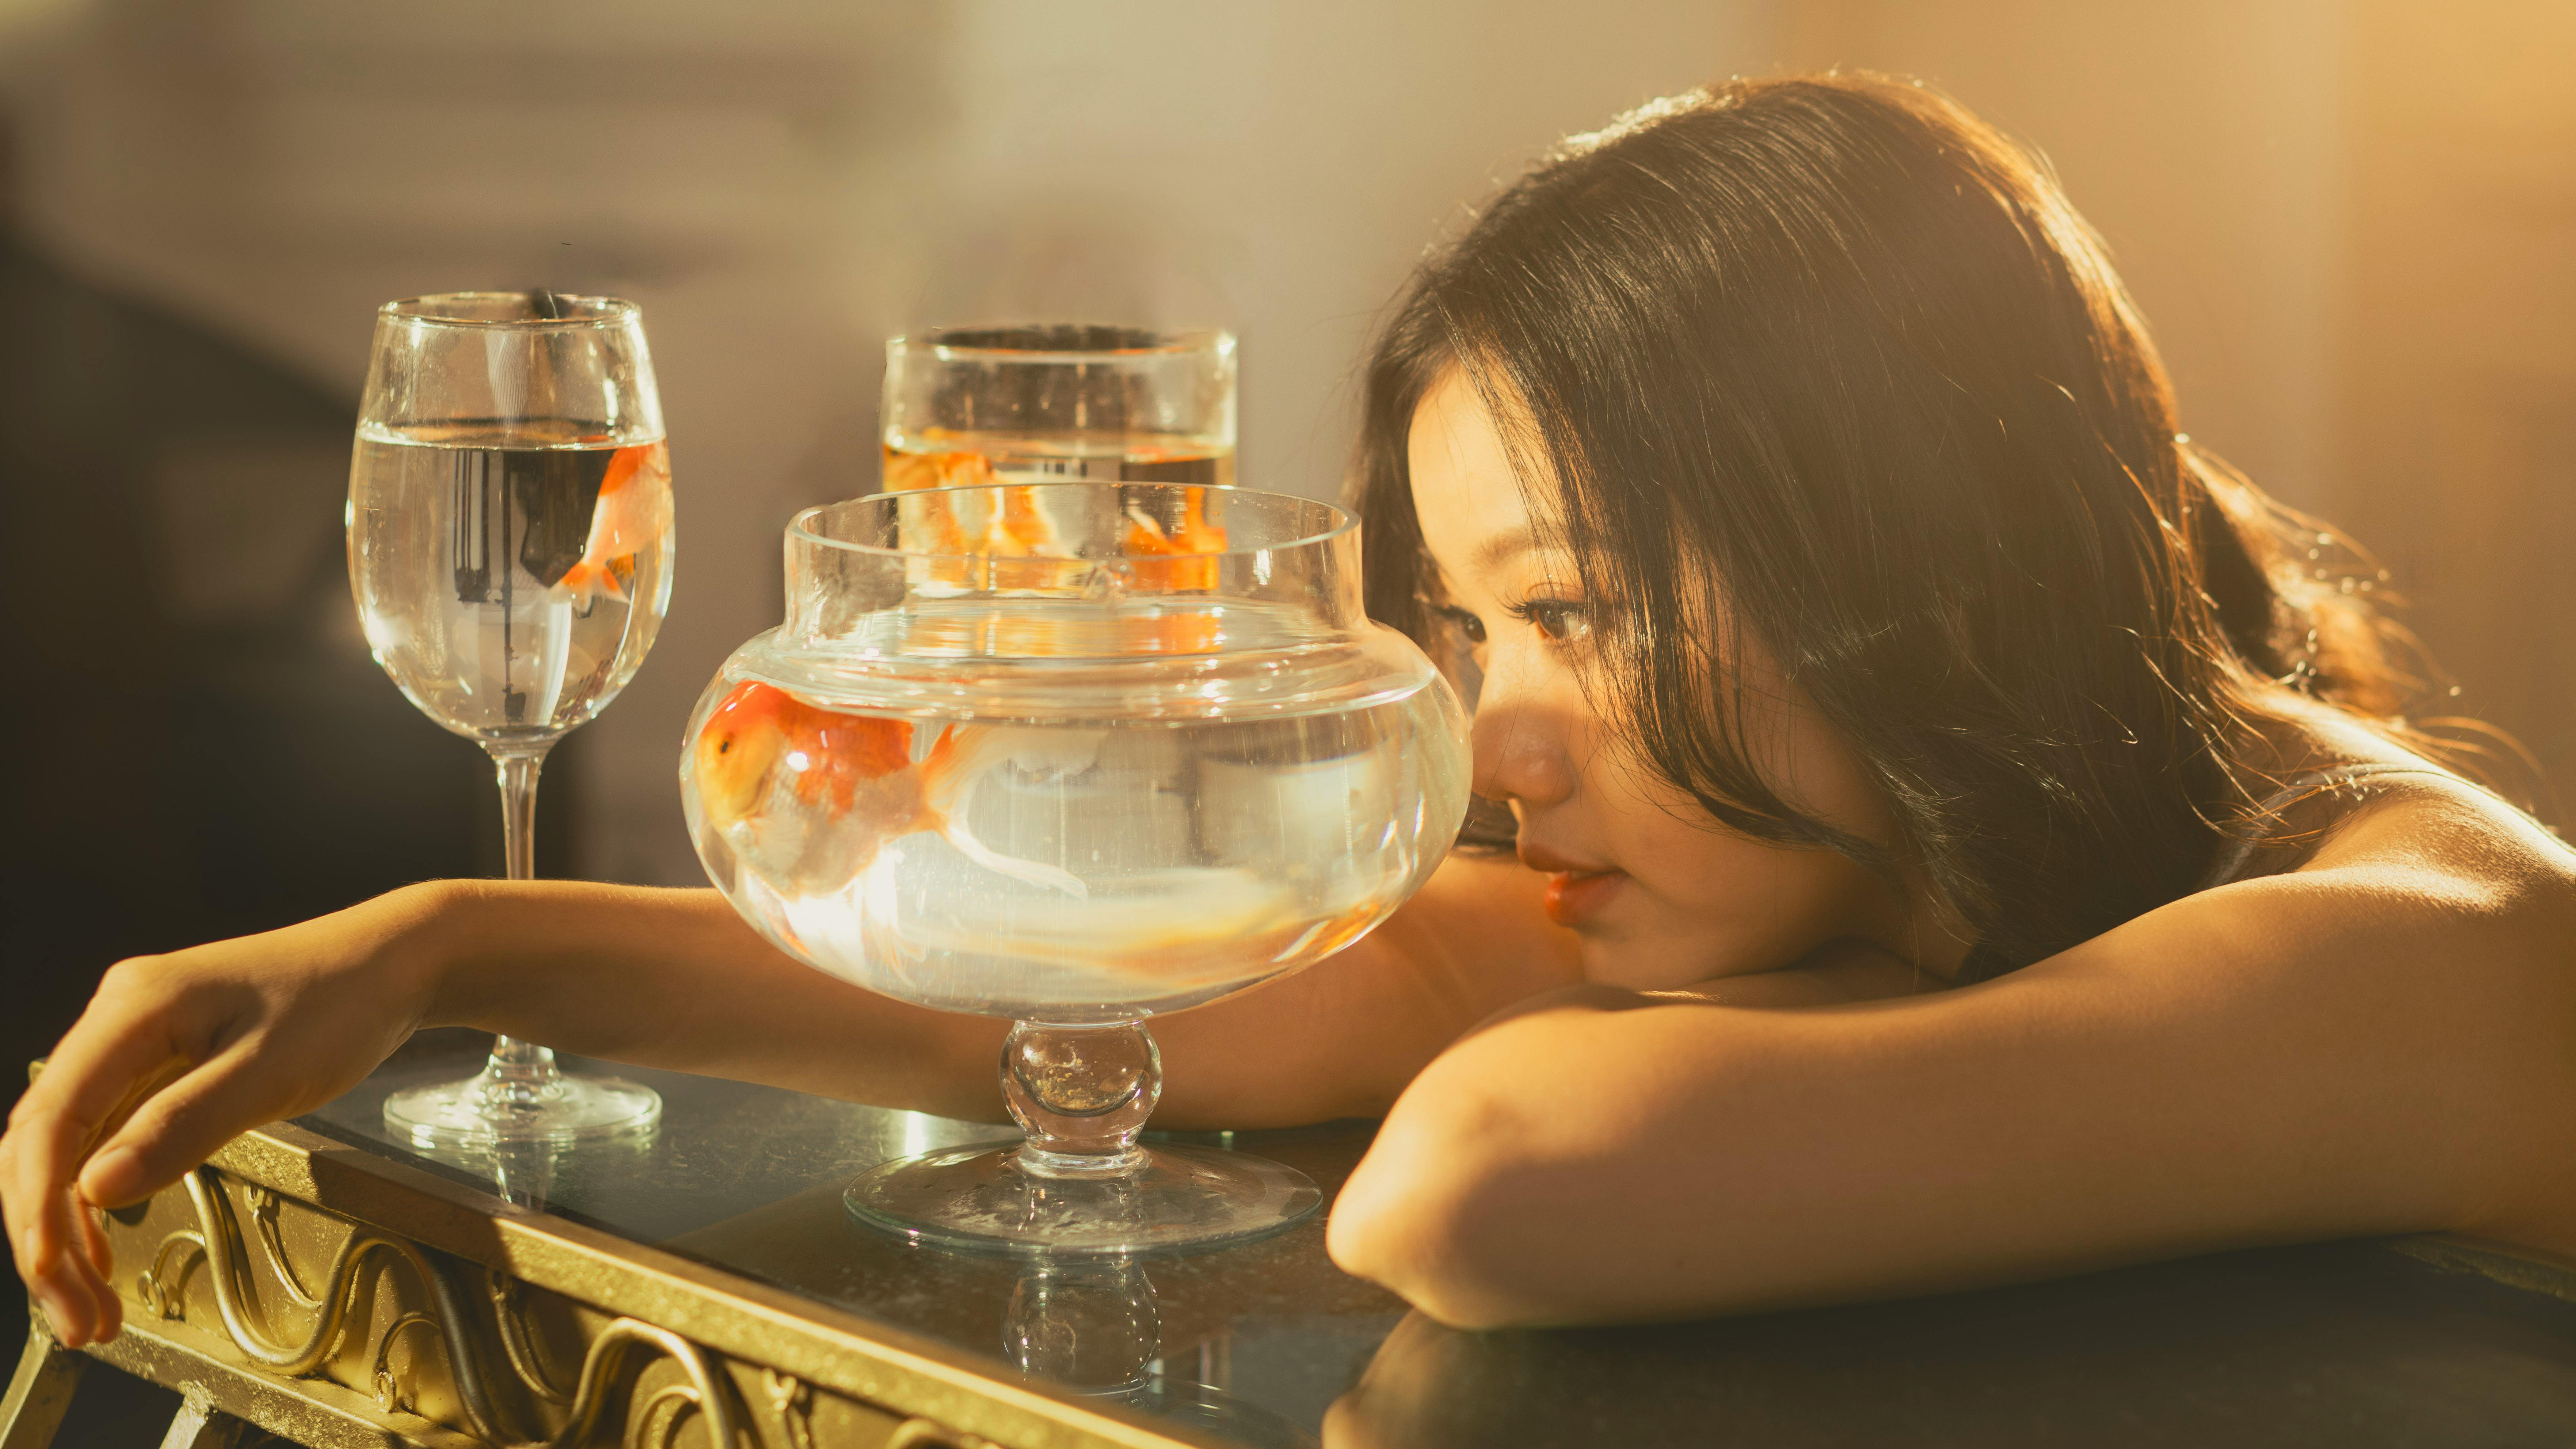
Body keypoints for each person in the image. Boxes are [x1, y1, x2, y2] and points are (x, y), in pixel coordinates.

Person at [10, 73, 2574, 1341]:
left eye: (1578, 612)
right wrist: (440, 947)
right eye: (1473, 634)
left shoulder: (2433, 950)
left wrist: (1503, 992)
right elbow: (1235, 1002)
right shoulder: (1893, 877)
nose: (1506, 742)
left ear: (1902, 566)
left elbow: (1481, 1176)